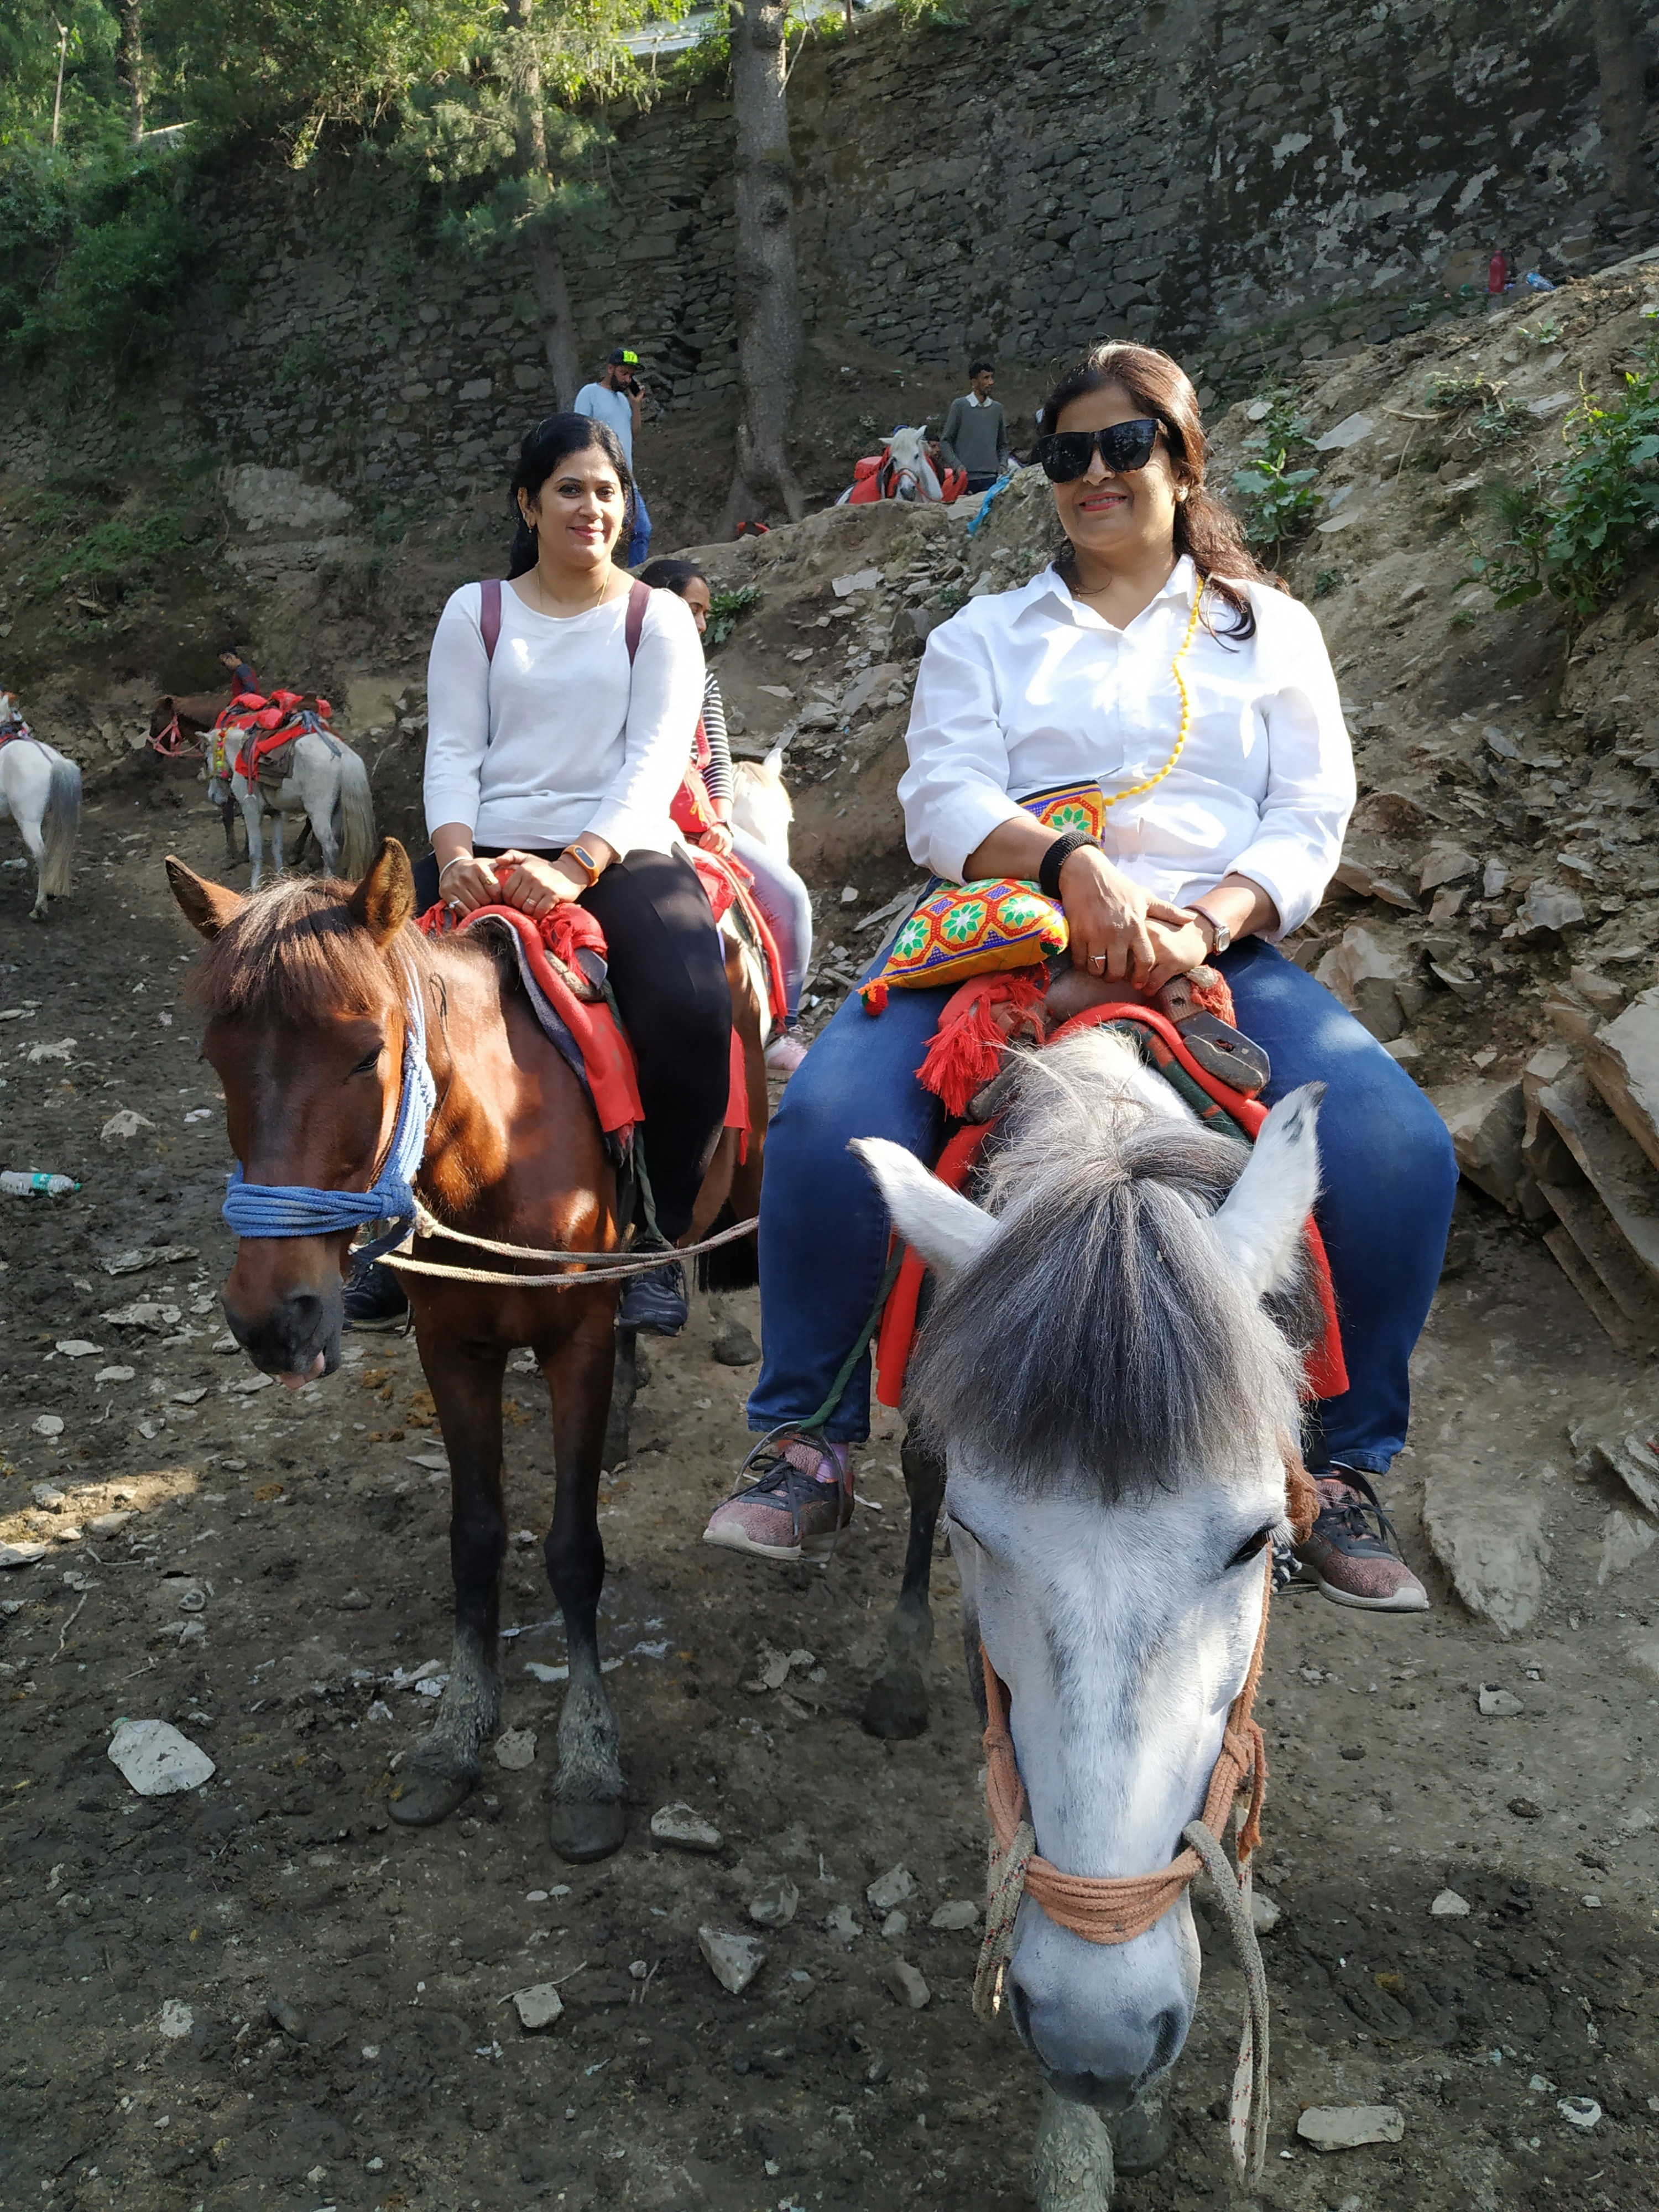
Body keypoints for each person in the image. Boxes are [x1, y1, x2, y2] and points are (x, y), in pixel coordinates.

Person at [702, 340, 1456, 1613]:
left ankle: (1337, 1466)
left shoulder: (1270, 633)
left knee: (1395, 1151)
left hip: (1209, 946)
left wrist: (1203, 923)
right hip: (1004, 932)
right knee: (831, 1119)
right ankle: (805, 1432)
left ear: (1179, 456)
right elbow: (940, 794)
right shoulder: (982, 633)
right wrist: (1067, 867)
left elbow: (1307, 813)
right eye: (1066, 453)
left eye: (1123, 445)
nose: (1093, 473)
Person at [342, 413, 729, 1338]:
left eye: (607, 489)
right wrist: (456, 856)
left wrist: (578, 864)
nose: (591, 507)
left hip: (620, 851)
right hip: (485, 853)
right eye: (570, 488)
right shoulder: (475, 611)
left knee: (689, 1005)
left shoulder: (659, 616)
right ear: (528, 502)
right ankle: (397, 1227)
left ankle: (656, 1238)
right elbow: (455, 750)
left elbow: (653, 757)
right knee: (370, 1017)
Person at [638, 556, 813, 1076]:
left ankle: (785, 1025)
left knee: (789, 896)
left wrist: (720, 818)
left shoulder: (703, 682)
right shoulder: (619, 670)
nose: (700, 624)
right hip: (640, 824)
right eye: (692, 609)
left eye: (705, 614)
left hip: (702, 824)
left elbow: (716, 754)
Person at [575, 347, 652, 565]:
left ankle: (633, 575)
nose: (628, 379)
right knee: (604, 532)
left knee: (642, 530)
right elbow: (579, 432)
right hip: (601, 478)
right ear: (610, 369)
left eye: (631, 375)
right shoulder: (590, 393)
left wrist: (636, 406)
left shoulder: (624, 401)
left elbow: (634, 433)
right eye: (624, 373)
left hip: (627, 479)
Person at [938, 362, 1011, 495]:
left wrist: (1003, 465)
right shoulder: (960, 406)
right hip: (966, 479)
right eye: (986, 378)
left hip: (992, 479)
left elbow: (1003, 445)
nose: (991, 382)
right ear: (974, 382)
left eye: (991, 378)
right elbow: (945, 442)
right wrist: (957, 466)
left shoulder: (997, 409)